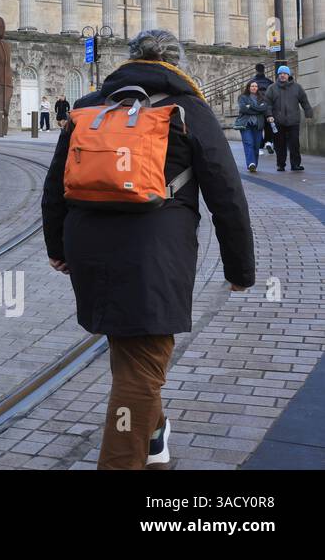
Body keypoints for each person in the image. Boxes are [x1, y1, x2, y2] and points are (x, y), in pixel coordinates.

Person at [42, 29, 255, 470]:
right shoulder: (188, 109)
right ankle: (121, 462)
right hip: (155, 253)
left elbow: (55, 185)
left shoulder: (89, 108)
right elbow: (227, 193)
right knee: (141, 366)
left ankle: (154, 439)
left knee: (130, 349)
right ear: (178, 63)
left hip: (90, 246)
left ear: (130, 58)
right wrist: (240, 268)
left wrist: (58, 246)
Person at [266, 65, 314, 172]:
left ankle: (295, 164)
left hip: (293, 121)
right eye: (280, 73)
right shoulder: (272, 88)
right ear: (278, 75)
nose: (282, 75)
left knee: (294, 144)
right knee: (280, 145)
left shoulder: (297, 87)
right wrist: (269, 115)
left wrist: (308, 114)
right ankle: (281, 164)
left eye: (285, 73)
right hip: (278, 121)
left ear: (289, 75)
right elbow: (267, 104)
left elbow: (304, 101)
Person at [235, 80, 270, 173]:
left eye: (256, 86)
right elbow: (243, 109)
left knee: (256, 145)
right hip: (246, 125)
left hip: (258, 125)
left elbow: (264, 108)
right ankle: (251, 163)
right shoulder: (242, 97)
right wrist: (258, 109)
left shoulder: (262, 98)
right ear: (248, 87)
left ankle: (254, 165)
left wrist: (250, 107)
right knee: (249, 143)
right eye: (252, 86)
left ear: (258, 88)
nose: (254, 88)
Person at [252, 64, 273, 154]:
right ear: (264, 70)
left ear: (256, 70)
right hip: (268, 106)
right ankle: (268, 142)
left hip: (257, 107)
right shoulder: (269, 82)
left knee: (258, 127)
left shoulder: (252, 83)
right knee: (268, 125)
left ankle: (260, 147)